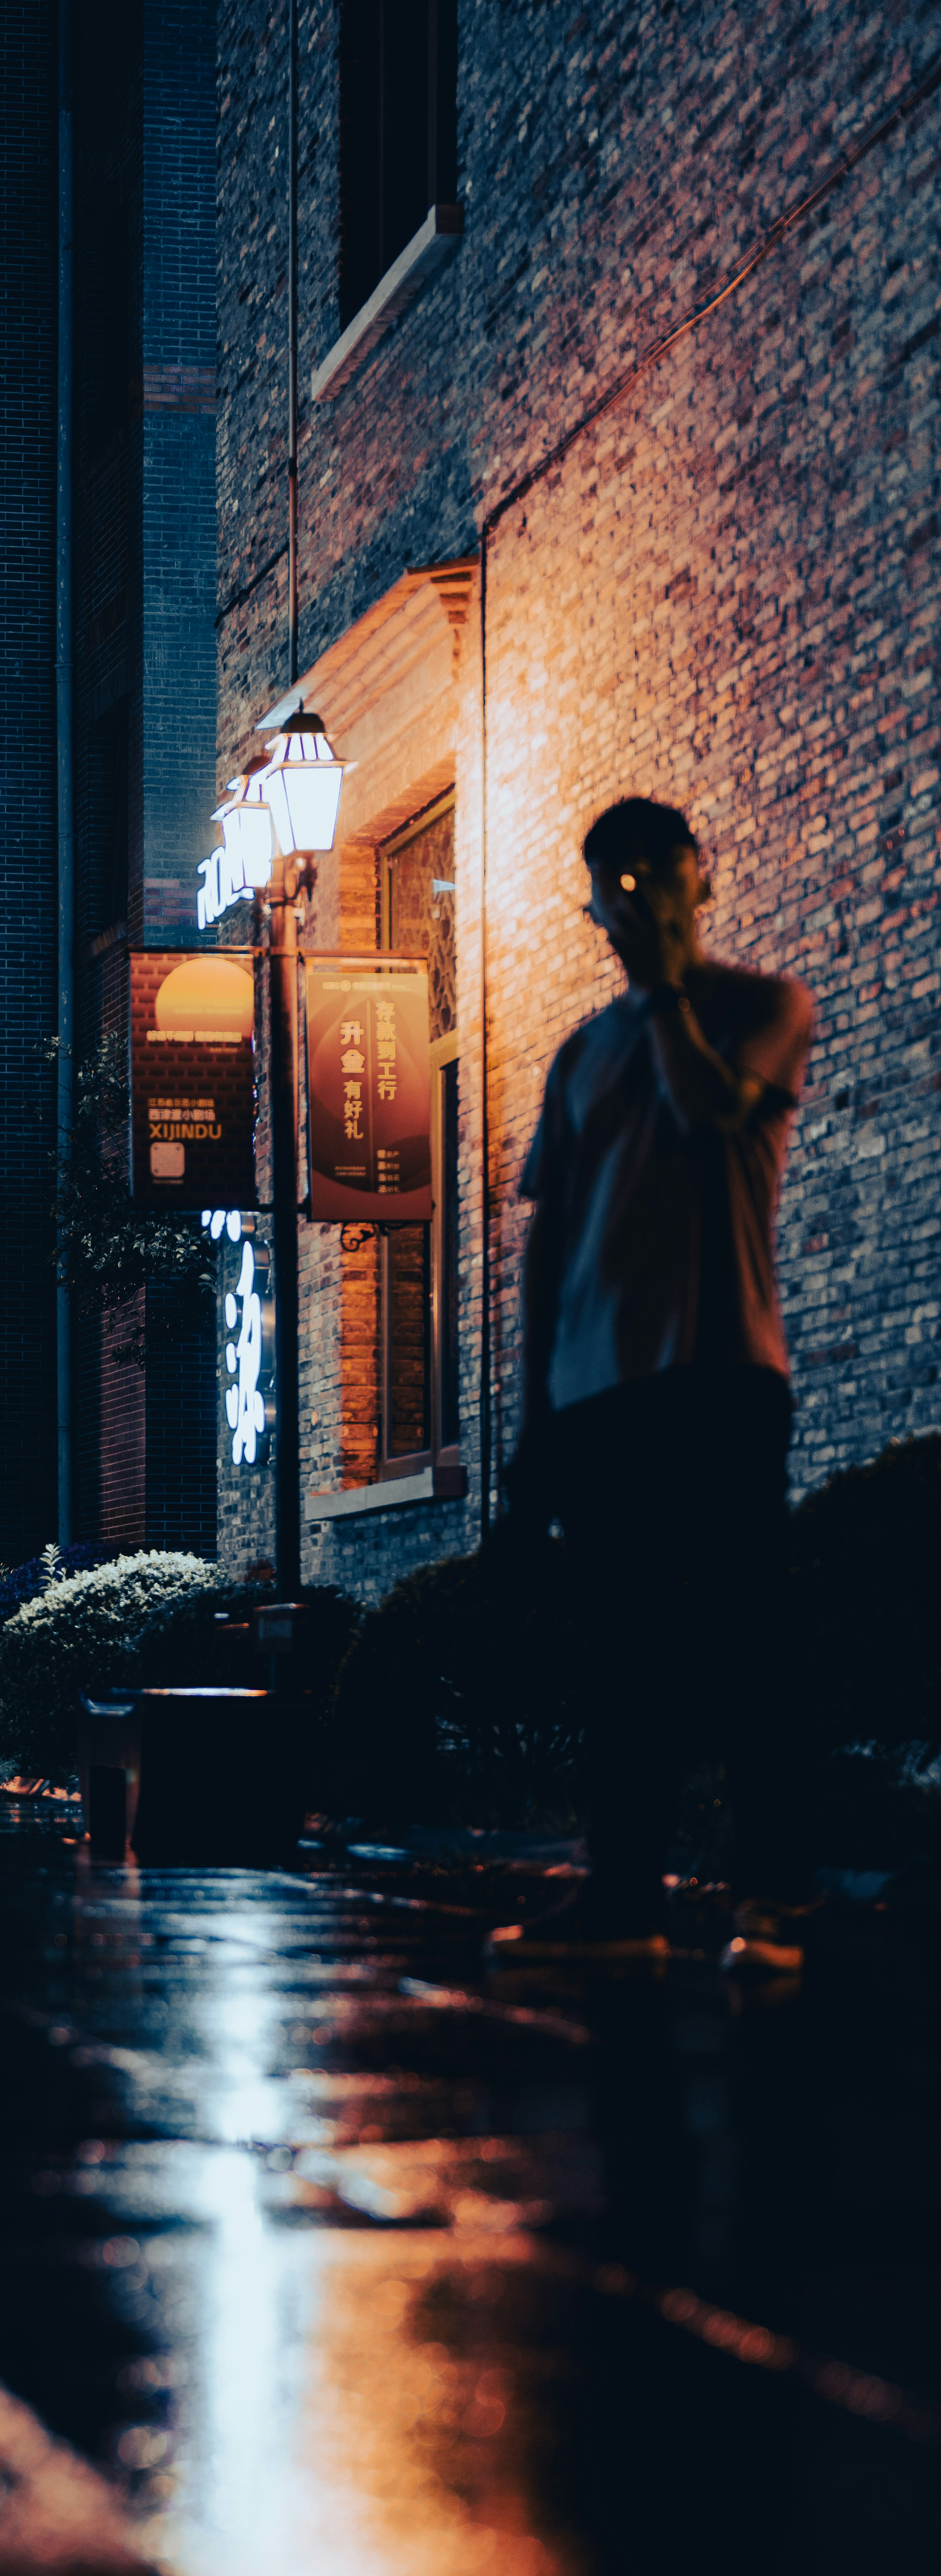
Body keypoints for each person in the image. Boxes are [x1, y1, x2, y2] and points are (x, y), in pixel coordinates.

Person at [491, 797, 816, 1973]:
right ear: (588, 904)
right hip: (602, 1397)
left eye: (654, 873)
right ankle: (624, 1896)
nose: (634, 896)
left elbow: (708, 1113)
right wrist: (535, 1416)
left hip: (723, 1372)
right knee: (620, 1653)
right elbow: (549, 1247)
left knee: (743, 1639)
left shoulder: (759, 1009)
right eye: (612, 881)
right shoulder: (582, 1053)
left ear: (699, 878)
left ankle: (778, 1895)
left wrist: (670, 985)